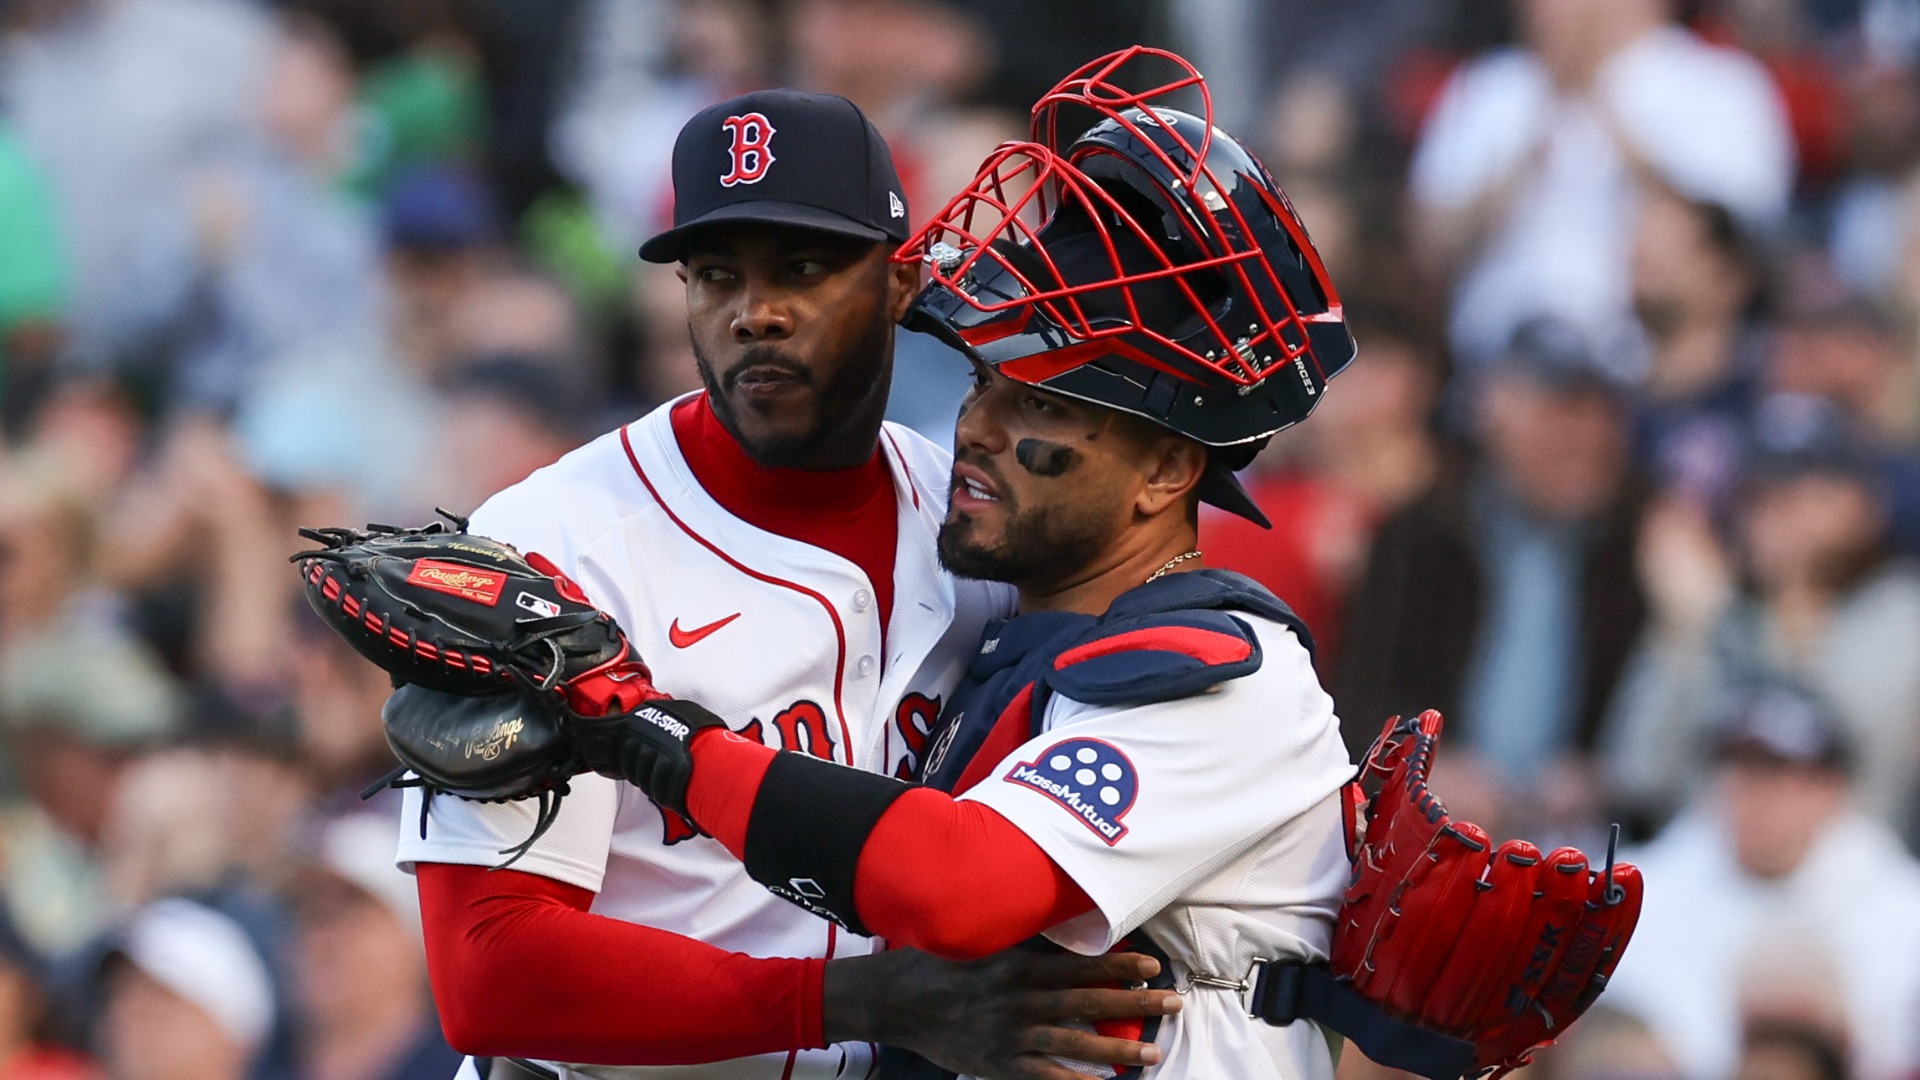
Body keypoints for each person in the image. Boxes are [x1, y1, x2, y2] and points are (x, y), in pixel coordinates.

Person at [394, 88, 1175, 1080]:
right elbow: (489, 977)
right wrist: (850, 1003)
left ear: (901, 283)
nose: (755, 314)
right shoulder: (552, 544)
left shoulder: (981, 525)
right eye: (716, 276)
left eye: (804, 269)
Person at [592, 76, 1361, 1079]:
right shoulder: (1002, 642)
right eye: (985, 381)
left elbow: (958, 886)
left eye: (1043, 405)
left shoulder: (1225, 679)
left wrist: (644, 734)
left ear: (1170, 469)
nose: (978, 429)